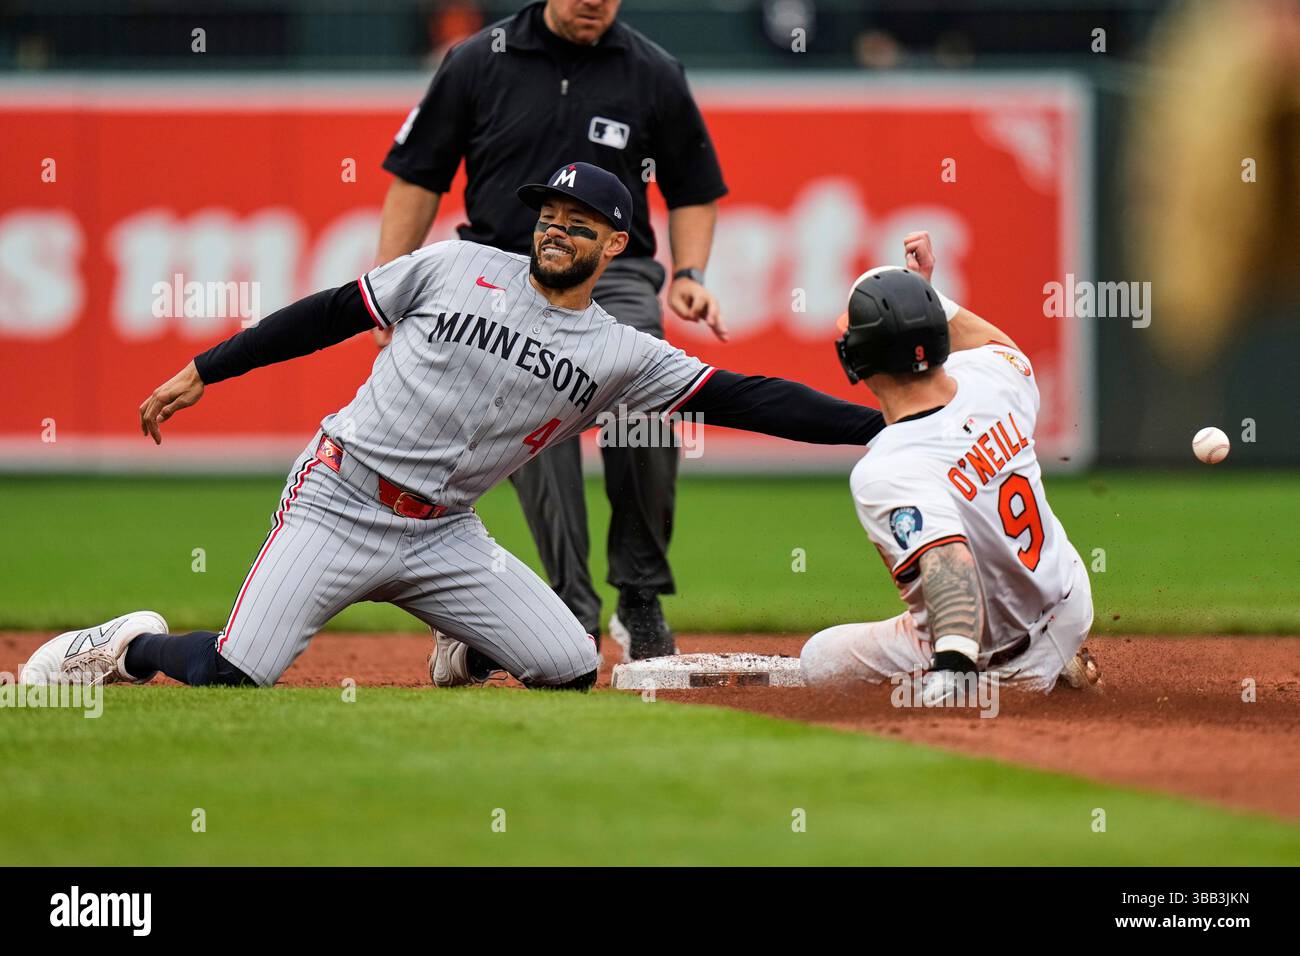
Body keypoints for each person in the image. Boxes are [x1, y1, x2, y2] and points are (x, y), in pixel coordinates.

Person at [21, 163, 881, 692]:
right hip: (339, 499)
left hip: (444, 536)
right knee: (236, 671)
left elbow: (749, 397)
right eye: (548, 214)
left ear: (615, 243)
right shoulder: (456, 264)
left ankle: (458, 650)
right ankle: (127, 648)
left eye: (578, 223)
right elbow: (327, 313)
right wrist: (207, 369)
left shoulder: (620, 352)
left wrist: (881, 426)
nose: (556, 228)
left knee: (571, 667)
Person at [375, 0, 729, 660]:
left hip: (613, 275)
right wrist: (392, 283)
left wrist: (691, 271)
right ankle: (570, 609)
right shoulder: (478, 60)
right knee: (535, 429)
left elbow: (693, 185)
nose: (594, 1)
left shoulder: (652, 70)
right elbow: (418, 176)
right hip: (501, 275)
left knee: (649, 406)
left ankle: (641, 594)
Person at [799, 232, 1100, 698]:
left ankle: (1021, 678)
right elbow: (993, 340)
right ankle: (1058, 659)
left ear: (857, 359)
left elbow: (948, 563)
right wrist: (925, 296)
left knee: (819, 661)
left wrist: (954, 664)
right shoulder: (997, 376)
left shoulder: (888, 466)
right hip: (1070, 604)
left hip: (998, 662)